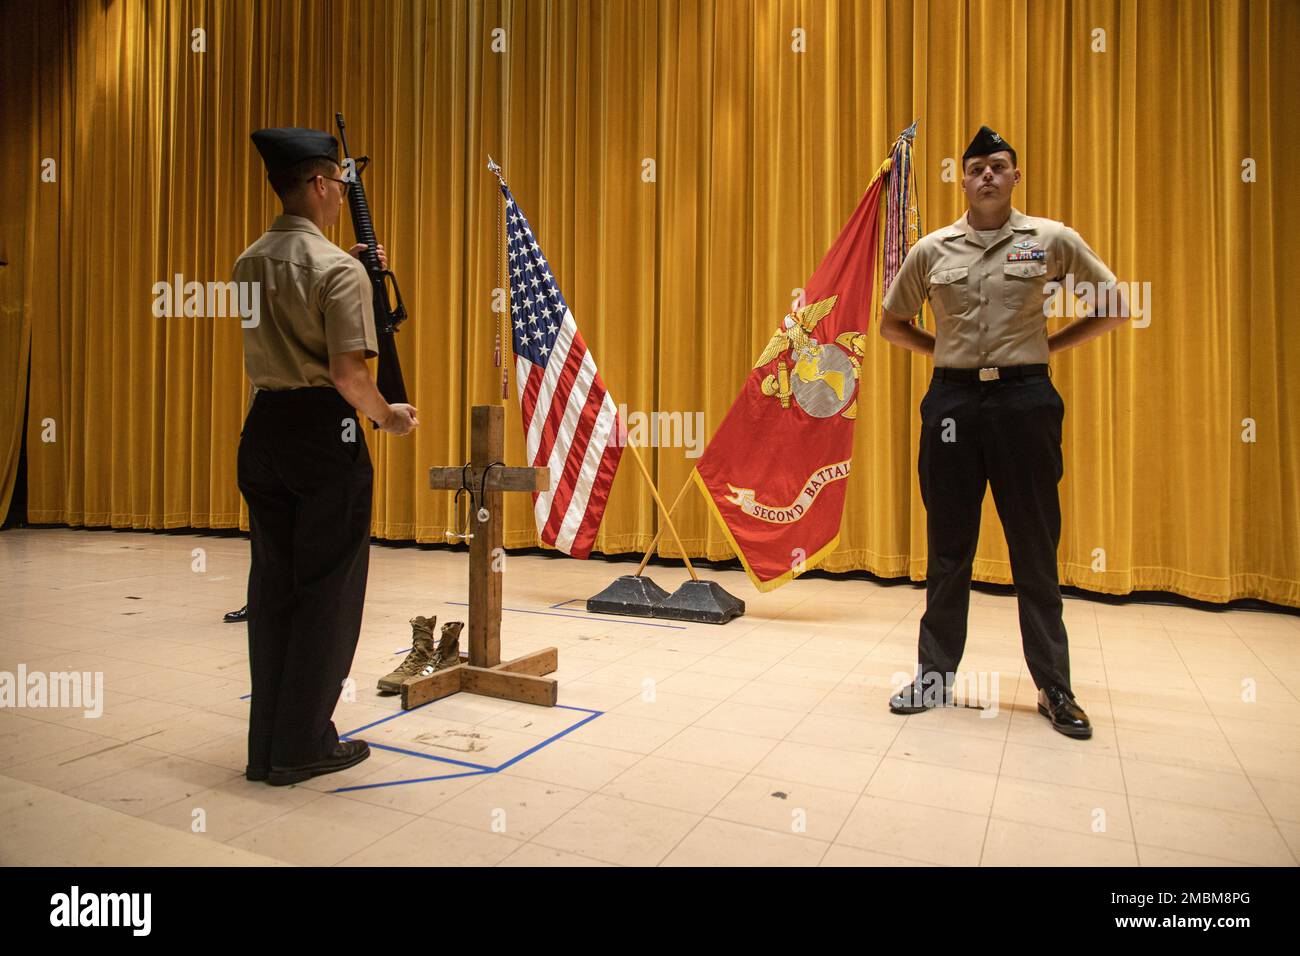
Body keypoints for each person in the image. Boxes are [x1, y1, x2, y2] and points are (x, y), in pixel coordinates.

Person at [878, 126, 1128, 740]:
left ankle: (1054, 687)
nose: (987, 175)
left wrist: (1049, 348)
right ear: (961, 180)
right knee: (948, 548)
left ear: (1016, 177)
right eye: (976, 168)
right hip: (954, 405)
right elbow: (891, 324)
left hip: (1024, 402)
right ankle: (934, 677)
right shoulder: (932, 250)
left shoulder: (1050, 240)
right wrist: (945, 354)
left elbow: (1114, 305)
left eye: (999, 166)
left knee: (1034, 548)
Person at [236, 126, 419, 784]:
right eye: (339, 184)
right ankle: (305, 743)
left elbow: (291, 304)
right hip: (326, 435)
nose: (342, 195)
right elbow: (349, 376)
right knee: (327, 596)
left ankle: (268, 747)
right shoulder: (338, 271)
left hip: (265, 430)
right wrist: (389, 419)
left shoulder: (248, 261)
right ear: (317, 184)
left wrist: (352, 270)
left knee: (275, 588)